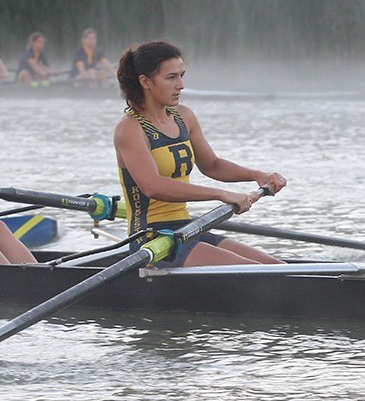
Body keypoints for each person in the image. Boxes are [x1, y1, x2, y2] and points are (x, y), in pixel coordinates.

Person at [114, 40, 287, 267]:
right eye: (171, 77)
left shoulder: (183, 116)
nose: (181, 85)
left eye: (182, 75)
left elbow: (211, 165)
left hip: (187, 228)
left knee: (277, 268)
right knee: (255, 273)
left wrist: (256, 175)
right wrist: (221, 194)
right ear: (145, 82)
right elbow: (153, 186)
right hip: (151, 240)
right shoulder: (130, 128)